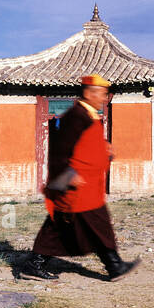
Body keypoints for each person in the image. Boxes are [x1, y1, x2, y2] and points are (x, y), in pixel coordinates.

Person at [20, 74, 140, 281]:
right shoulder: (76, 116)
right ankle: (114, 266)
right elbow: (60, 149)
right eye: (101, 94)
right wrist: (67, 176)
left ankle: (35, 263)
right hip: (77, 184)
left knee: (65, 225)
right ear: (89, 93)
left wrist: (104, 149)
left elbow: (86, 144)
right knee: (95, 223)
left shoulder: (88, 115)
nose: (105, 98)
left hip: (88, 184)